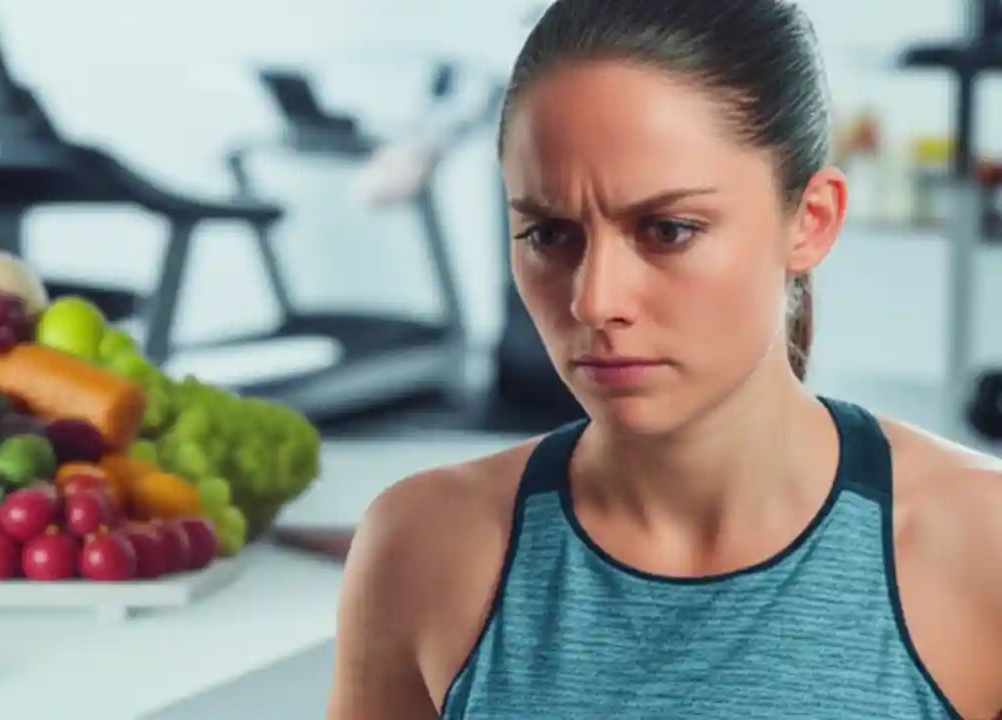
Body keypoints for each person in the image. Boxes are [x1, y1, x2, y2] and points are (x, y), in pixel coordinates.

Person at [326, 1, 1002, 718]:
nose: (594, 300)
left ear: (811, 220)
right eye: (550, 234)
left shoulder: (979, 548)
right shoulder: (424, 547)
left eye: (669, 229)